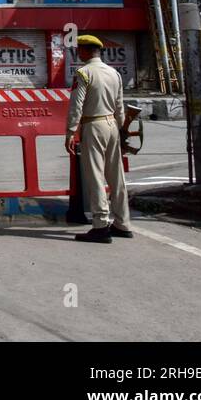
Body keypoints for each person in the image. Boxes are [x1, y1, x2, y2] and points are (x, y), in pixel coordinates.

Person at [64, 34, 132, 243]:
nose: (78, 53)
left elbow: (77, 105)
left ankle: (101, 225)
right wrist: (122, 131)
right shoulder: (114, 73)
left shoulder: (83, 73)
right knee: (116, 176)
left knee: (95, 176)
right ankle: (122, 223)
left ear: (84, 51)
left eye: (79, 49)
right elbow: (120, 106)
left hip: (93, 125)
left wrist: (70, 131)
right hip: (112, 124)